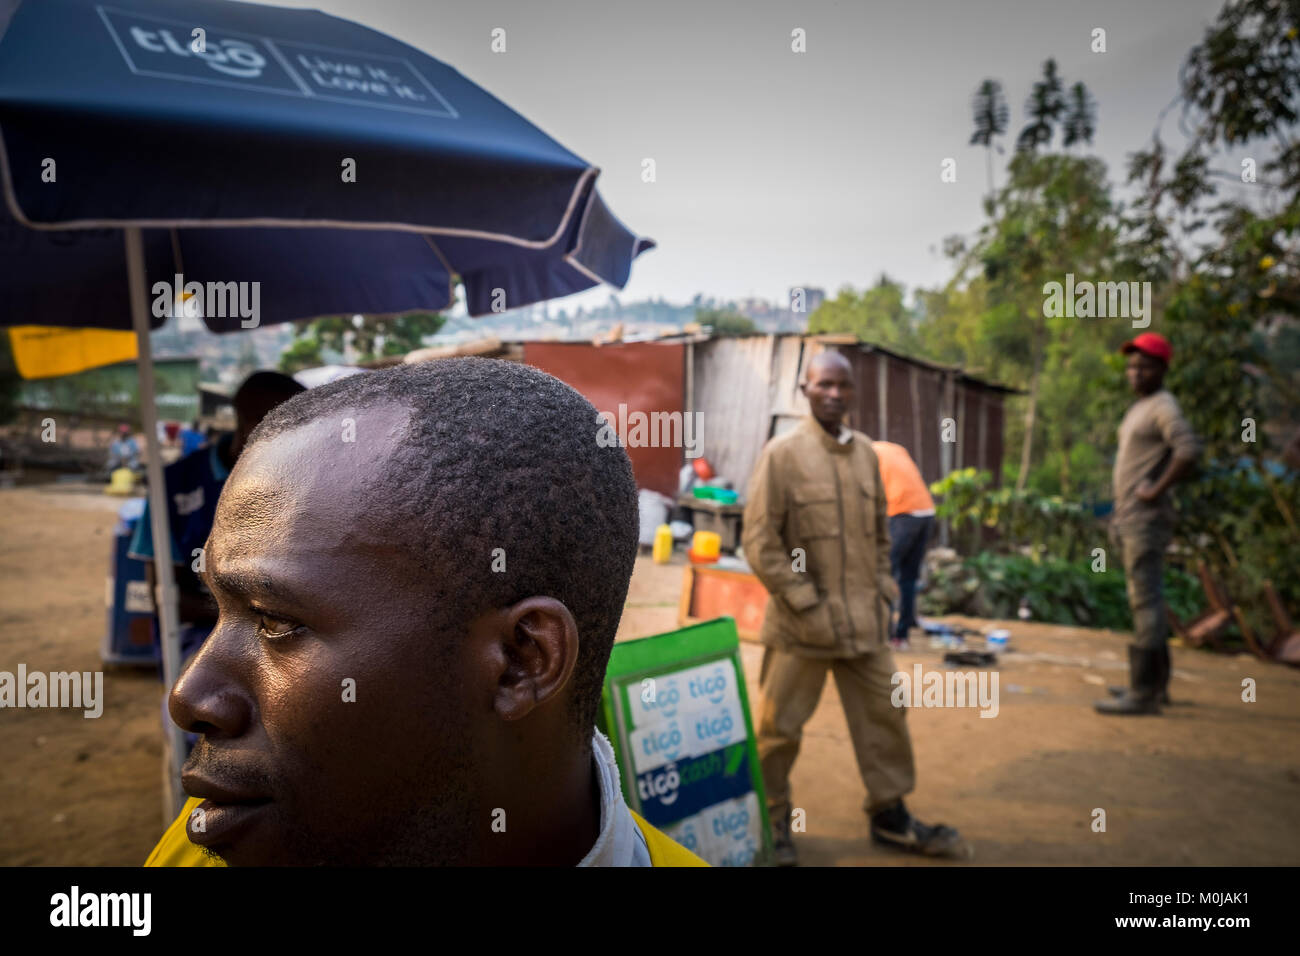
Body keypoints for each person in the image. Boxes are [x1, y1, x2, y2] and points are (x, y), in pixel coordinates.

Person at [144, 359, 705, 867]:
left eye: (275, 622)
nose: (187, 697)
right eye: (220, 609)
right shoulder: (200, 849)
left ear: (521, 661)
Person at [743, 350, 969, 865]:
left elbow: (879, 534)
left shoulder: (867, 453)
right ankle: (774, 821)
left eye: (843, 387)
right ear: (805, 389)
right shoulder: (783, 455)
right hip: (803, 627)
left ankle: (890, 817)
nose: (834, 395)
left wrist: (885, 589)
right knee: (779, 732)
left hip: (864, 624)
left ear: (853, 393)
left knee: (885, 718)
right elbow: (759, 541)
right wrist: (802, 598)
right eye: (824, 385)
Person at [129, 371, 305, 667]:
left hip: (286, 632)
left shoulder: (302, 481)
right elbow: (170, 601)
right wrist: (262, 617)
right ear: (252, 422)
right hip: (201, 636)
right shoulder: (173, 485)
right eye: (293, 426)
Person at [1097, 332, 1201, 716]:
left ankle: (1143, 693)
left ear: (1162, 369)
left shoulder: (1163, 406)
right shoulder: (1140, 408)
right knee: (1146, 597)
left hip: (1146, 520)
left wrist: (1155, 490)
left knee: (1145, 600)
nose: (1135, 373)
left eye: (1144, 366)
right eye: (1131, 366)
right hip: (1131, 518)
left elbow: (1188, 450)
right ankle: (1155, 687)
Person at [871, 440, 935, 651]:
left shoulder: (865, 455)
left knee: (884, 571)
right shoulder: (895, 448)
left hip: (903, 513)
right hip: (926, 512)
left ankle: (885, 634)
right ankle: (903, 634)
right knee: (908, 577)